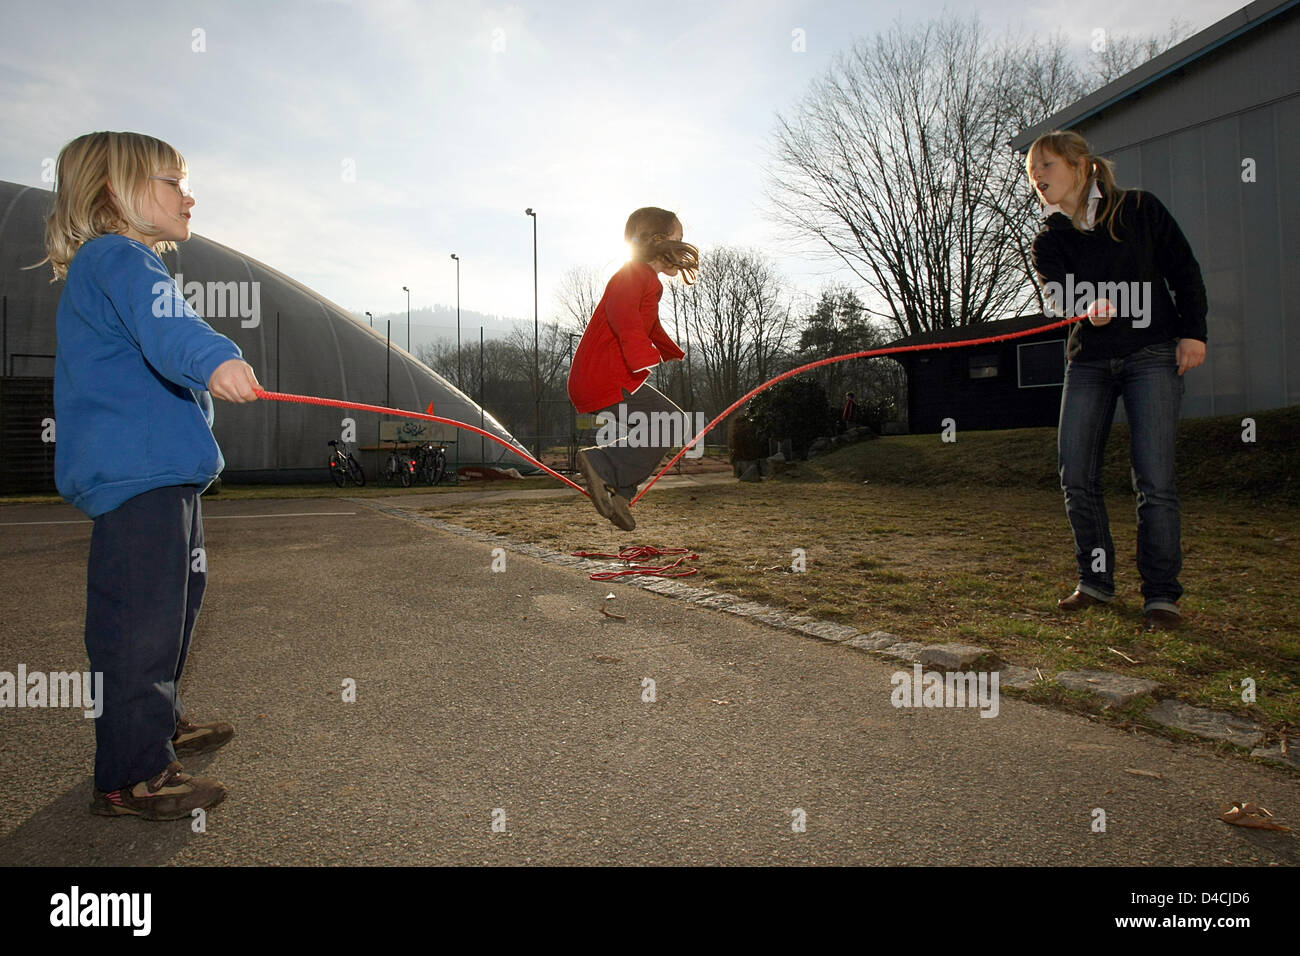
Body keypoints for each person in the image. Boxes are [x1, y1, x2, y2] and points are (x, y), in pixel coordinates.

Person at [40, 131, 261, 819]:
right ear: (117, 192)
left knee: (173, 606)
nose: (186, 193)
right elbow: (168, 323)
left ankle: (156, 723)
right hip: (139, 478)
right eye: (171, 180)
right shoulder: (118, 258)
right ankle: (133, 774)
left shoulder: (123, 264)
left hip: (162, 478)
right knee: (139, 620)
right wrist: (215, 357)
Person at [1026, 130, 1207, 631]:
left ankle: (1162, 597)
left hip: (1152, 354)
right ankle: (1097, 582)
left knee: (1154, 480)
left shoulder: (1140, 210)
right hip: (1088, 362)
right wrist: (1086, 307)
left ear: (1081, 165)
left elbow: (1184, 270)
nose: (1037, 176)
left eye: (1046, 164)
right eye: (1032, 170)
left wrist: (1193, 333)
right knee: (1076, 474)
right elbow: (1055, 296)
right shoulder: (1050, 237)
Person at [568, 207, 700, 531]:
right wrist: (641, 356)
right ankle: (601, 463)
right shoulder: (633, 275)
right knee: (671, 423)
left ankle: (618, 493)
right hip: (604, 377)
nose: (683, 246)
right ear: (658, 240)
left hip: (609, 377)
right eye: (678, 239)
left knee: (663, 424)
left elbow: (648, 325)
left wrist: (668, 349)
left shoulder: (648, 281)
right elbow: (623, 315)